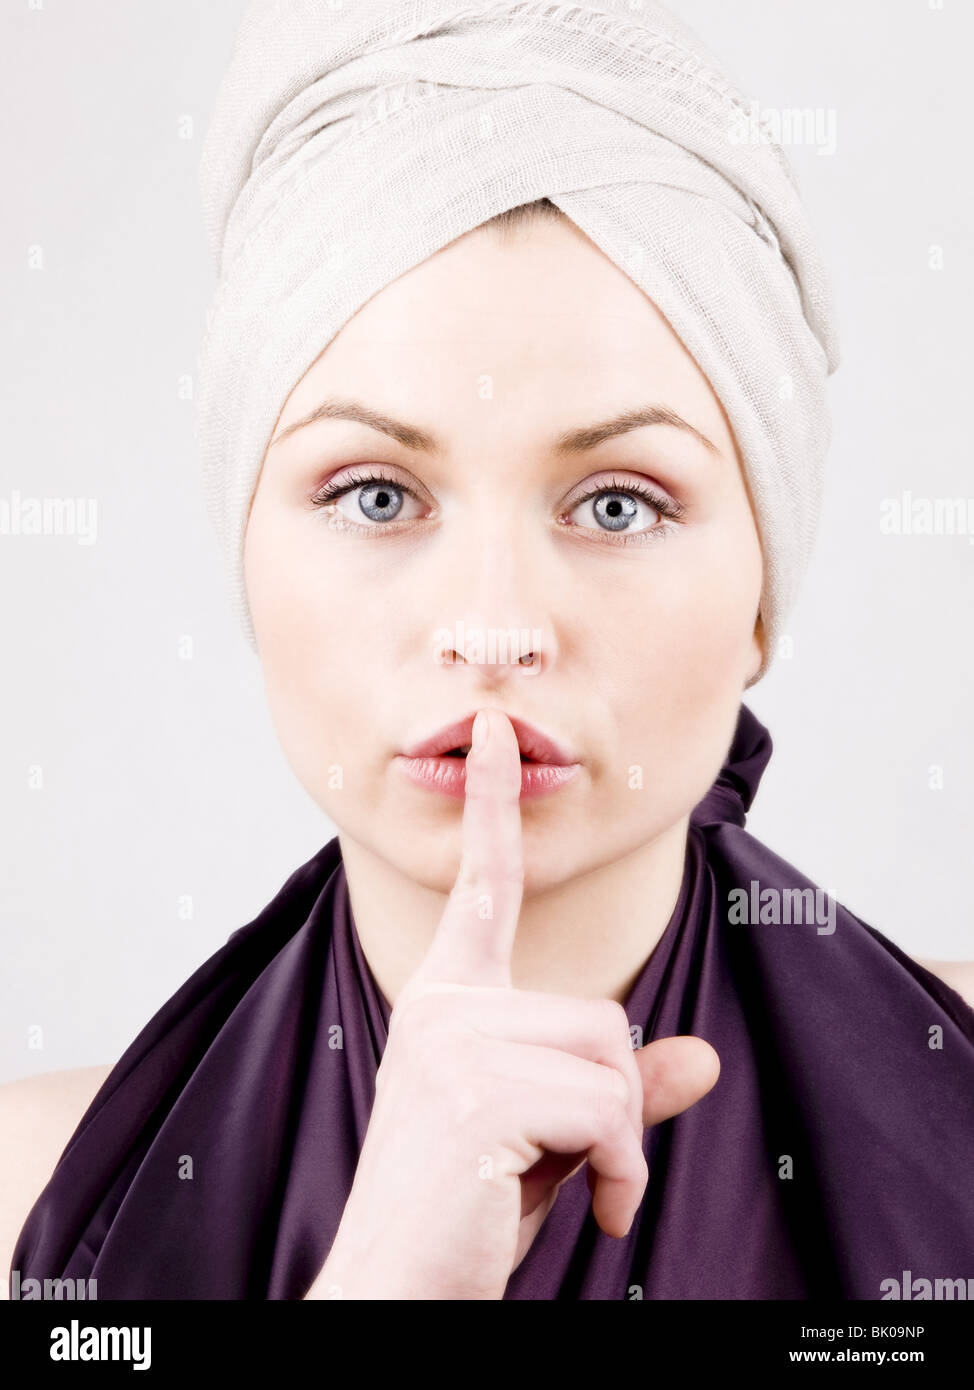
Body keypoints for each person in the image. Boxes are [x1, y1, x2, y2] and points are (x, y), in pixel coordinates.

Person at [4, 0, 974, 1301]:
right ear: (246, 555)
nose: (495, 623)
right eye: (376, 494)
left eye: (616, 502)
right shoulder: (39, 1207)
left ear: (760, 594)